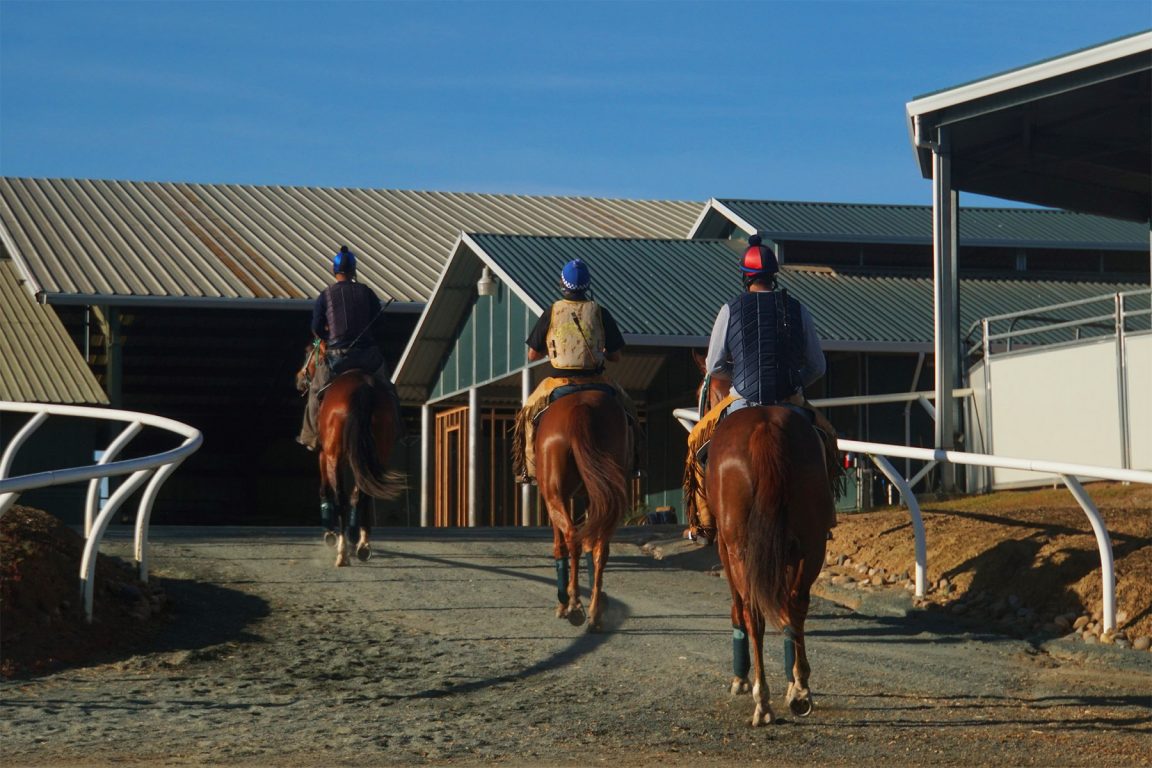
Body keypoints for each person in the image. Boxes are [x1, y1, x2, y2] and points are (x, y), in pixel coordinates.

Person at [683, 235, 840, 544]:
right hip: (789, 399)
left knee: (693, 443)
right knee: (829, 440)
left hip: (742, 400)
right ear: (773, 275)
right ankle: (825, 516)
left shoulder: (729, 309)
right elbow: (817, 366)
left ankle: (704, 523)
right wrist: (795, 383)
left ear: (745, 276)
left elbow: (713, 366)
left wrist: (738, 376)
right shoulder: (797, 308)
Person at [513, 259, 642, 483]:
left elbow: (532, 355)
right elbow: (616, 356)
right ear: (587, 286)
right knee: (630, 412)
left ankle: (529, 469)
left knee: (527, 413)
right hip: (598, 380)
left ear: (562, 284)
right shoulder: (601, 312)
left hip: (559, 382)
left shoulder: (552, 312)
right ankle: (634, 464)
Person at [297, 245, 393, 451]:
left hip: (337, 357)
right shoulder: (367, 292)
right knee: (388, 390)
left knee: (315, 391)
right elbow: (381, 325)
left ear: (335, 270)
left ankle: (310, 436)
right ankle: (398, 429)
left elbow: (315, 327)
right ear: (353, 270)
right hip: (368, 356)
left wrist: (326, 338)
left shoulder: (326, 295)